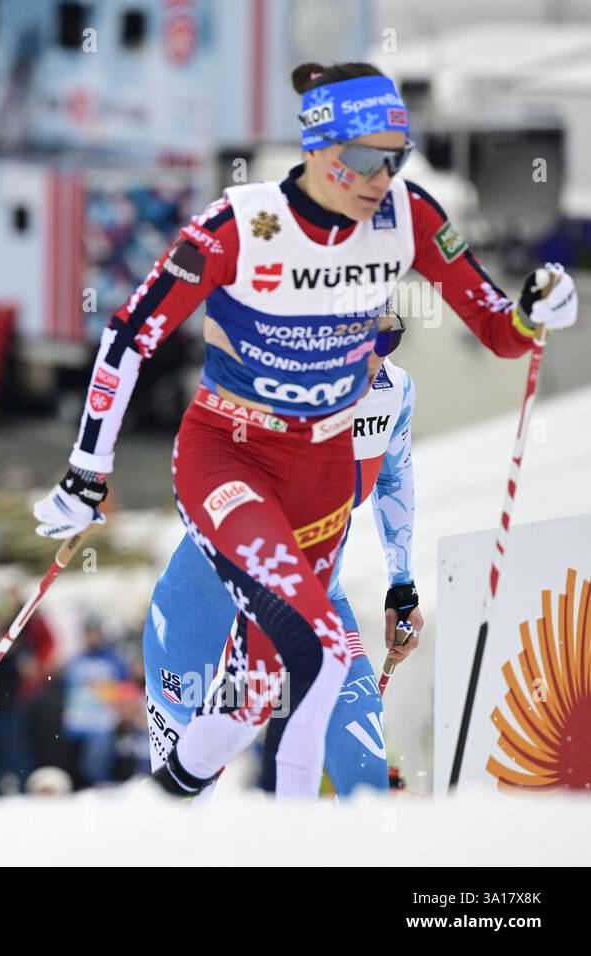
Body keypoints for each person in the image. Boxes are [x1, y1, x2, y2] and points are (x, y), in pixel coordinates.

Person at [32, 62, 579, 798]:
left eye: (396, 157)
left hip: (323, 478)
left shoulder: (409, 220)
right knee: (321, 648)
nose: (380, 176)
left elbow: (500, 330)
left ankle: (159, 801)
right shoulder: (240, 225)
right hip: (228, 456)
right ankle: (294, 841)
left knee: (258, 693)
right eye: (362, 157)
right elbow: (131, 335)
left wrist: (538, 307)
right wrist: (86, 472)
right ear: (318, 147)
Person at [146, 330, 419, 797]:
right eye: (365, 338)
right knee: (185, 801)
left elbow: (394, 476)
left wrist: (402, 585)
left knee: (366, 781)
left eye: (389, 337)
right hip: (209, 606)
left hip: (317, 598)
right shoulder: (271, 387)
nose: (376, 355)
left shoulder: (394, 390)